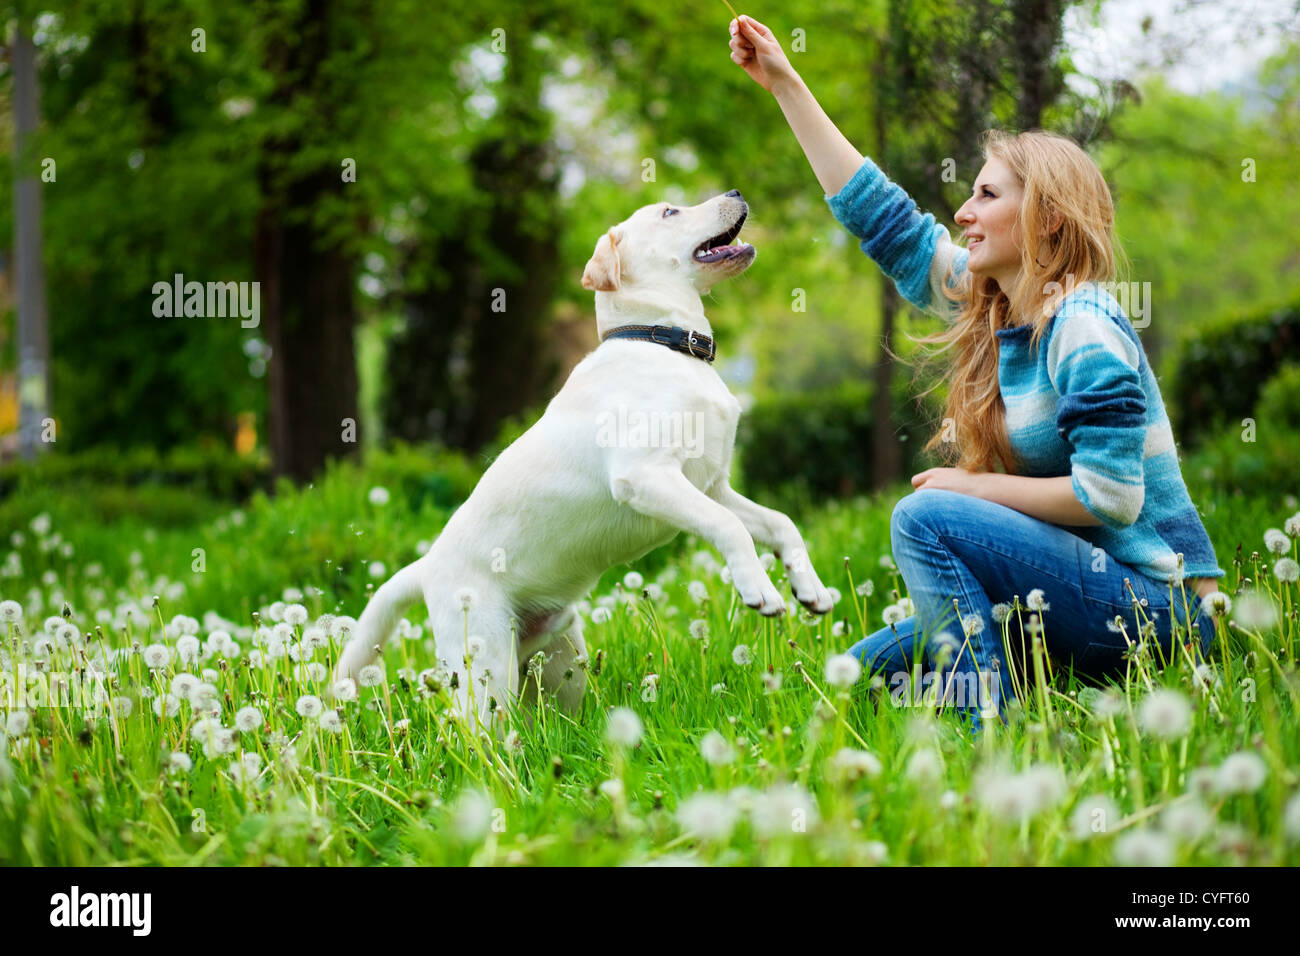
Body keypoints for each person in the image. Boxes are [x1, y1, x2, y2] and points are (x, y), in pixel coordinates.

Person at [727, 14, 1224, 733]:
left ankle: (983, 732)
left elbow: (1112, 499)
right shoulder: (999, 306)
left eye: (987, 196)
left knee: (924, 515)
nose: (962, 211)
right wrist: (786, 83)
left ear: (1048, 218)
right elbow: (886, 221)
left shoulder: (1083, 324)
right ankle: (998, 691)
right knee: (863, 676)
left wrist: (975, 488)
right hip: (1075, 593)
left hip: (1161, 613)